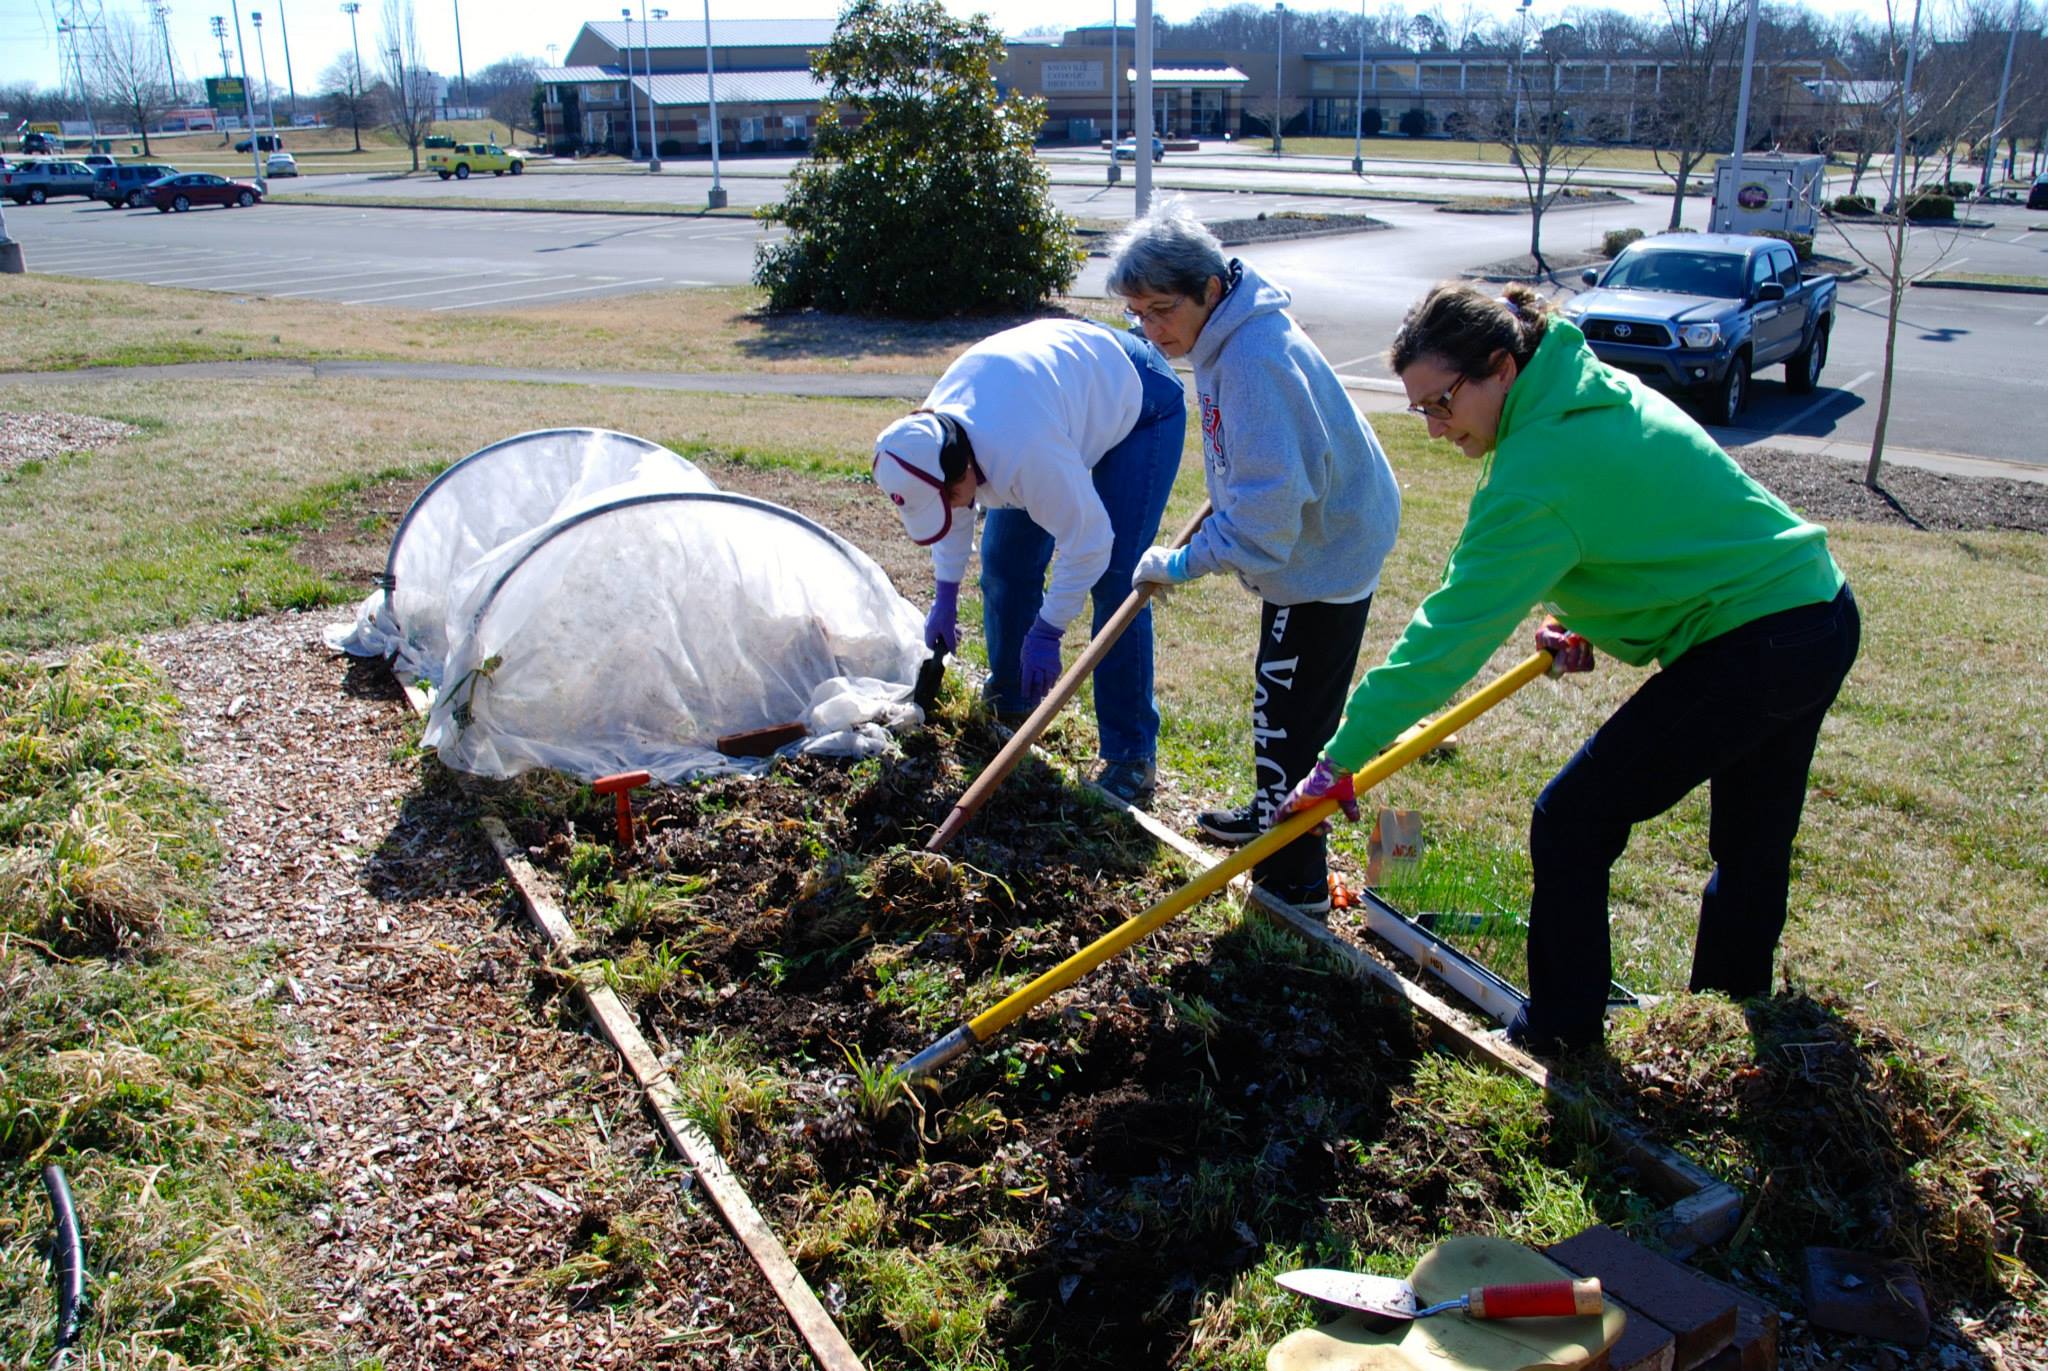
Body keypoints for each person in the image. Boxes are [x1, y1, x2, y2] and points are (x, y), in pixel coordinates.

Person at [1281, 281, 1860, 1053]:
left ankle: (1560, 1031)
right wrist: (1582, 616)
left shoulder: (1537, 470)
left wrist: (1340, 759)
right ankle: (1724, 1019)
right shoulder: (1575, 386)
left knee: (1573, 819)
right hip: (1815, 612)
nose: (1432, 427)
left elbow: (1446, 637)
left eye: (1442, 402)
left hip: (1759, 639)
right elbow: (1642, 515)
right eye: (1420, 408)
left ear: (1501, 369)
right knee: (1750, 841)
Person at [1109, 200, 1402, 917]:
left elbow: (1267, 521)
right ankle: (1275, 809)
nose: (1151, 330)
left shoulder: (1250, 359)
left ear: (1210, 287)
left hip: (1324, 547)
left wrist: (1178, 566)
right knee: (1282, 700)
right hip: (1316, 529)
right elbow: (1264, 473)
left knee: (1291, 717)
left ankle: (1293, 882)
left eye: (1161, 309)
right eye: (1138, 314)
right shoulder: (1224, 332)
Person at [872, 317, 1186, 803]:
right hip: (1057, 400)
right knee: (1005, 563)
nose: (954, 507)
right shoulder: (935, 434)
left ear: (962, 466)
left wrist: (1048, 630)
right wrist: (946, 595)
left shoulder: (1023, 450)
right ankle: (1012, 701)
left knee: (1117, 581)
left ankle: (1131, 756)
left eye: (951, 495)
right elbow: (952, 509)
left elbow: (1089, 542)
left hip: (1138, 402)